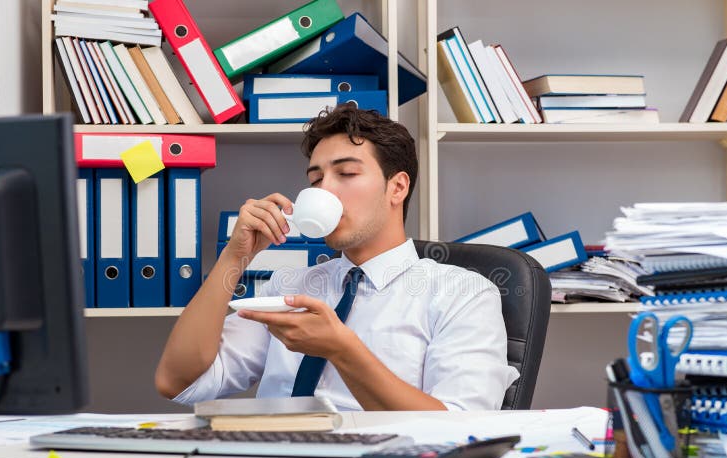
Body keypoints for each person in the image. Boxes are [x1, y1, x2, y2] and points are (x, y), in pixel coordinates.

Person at [155, 104, 517, 411]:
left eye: (345, 173)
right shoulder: (289, 287)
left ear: (397, 187)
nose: (324, 188)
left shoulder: (461, 293)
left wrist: (343, 350)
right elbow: (177, 381)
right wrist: (235, 258)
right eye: (315, 179)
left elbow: (462, 428)